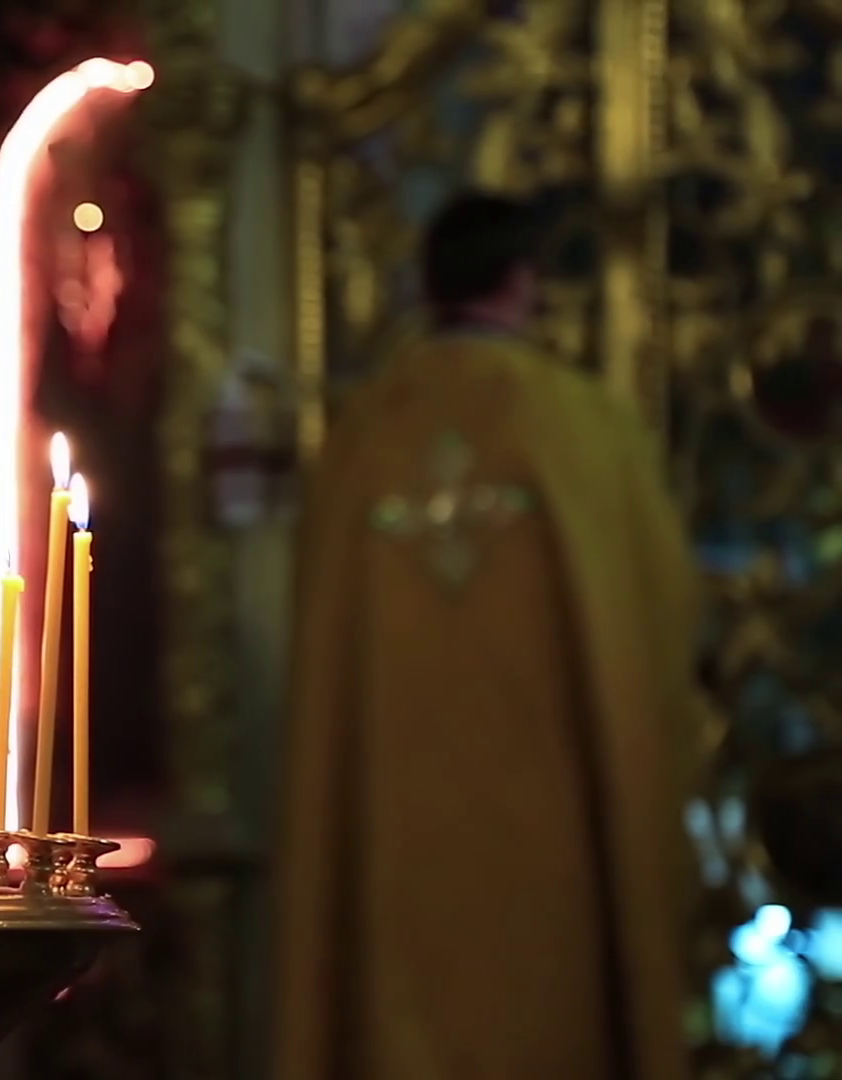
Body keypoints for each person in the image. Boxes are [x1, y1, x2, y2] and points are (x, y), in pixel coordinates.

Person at [272, 192, 702, 1080]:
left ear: (430, 289)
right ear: (524, 280)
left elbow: (317, 669)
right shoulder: (584, 428)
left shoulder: (360, 440)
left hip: (392, 840)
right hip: (554, 853)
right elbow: (660, 629)